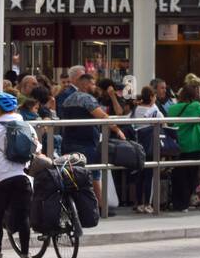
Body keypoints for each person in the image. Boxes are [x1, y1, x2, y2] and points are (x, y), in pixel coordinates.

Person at [57, 73, 127, 212]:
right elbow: (103, 117)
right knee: (94, 174)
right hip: (87, 142)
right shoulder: (87, 99)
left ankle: (75, 206)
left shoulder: (68, 99)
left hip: (69, 141)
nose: (95, 87)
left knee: (72, 174)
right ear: (85, 84)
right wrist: (118, 130)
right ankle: (100, 207)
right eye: (93, 84)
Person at [0, 92, 35, 258]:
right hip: (23, 176)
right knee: (24, 216)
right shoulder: (27, 126)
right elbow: (36, 146)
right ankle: (25, 256)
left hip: (1, 178)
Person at [165, 83, 200, 212]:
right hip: (194, 147)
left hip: (177, 146)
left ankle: (177, 203)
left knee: (178, 175)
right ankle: (184, 203)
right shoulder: (195, 106)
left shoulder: (173, 108)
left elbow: (170, 123)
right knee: (191, 176)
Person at [130, 86, 161, 213]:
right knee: (149, 175)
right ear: (152, 97)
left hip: (138, 145)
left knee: (140, 175)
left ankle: (139, 203)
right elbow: (164, 121)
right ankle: (148, 203)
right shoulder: (154, 110)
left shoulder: (136, 109)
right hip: (151, 145)